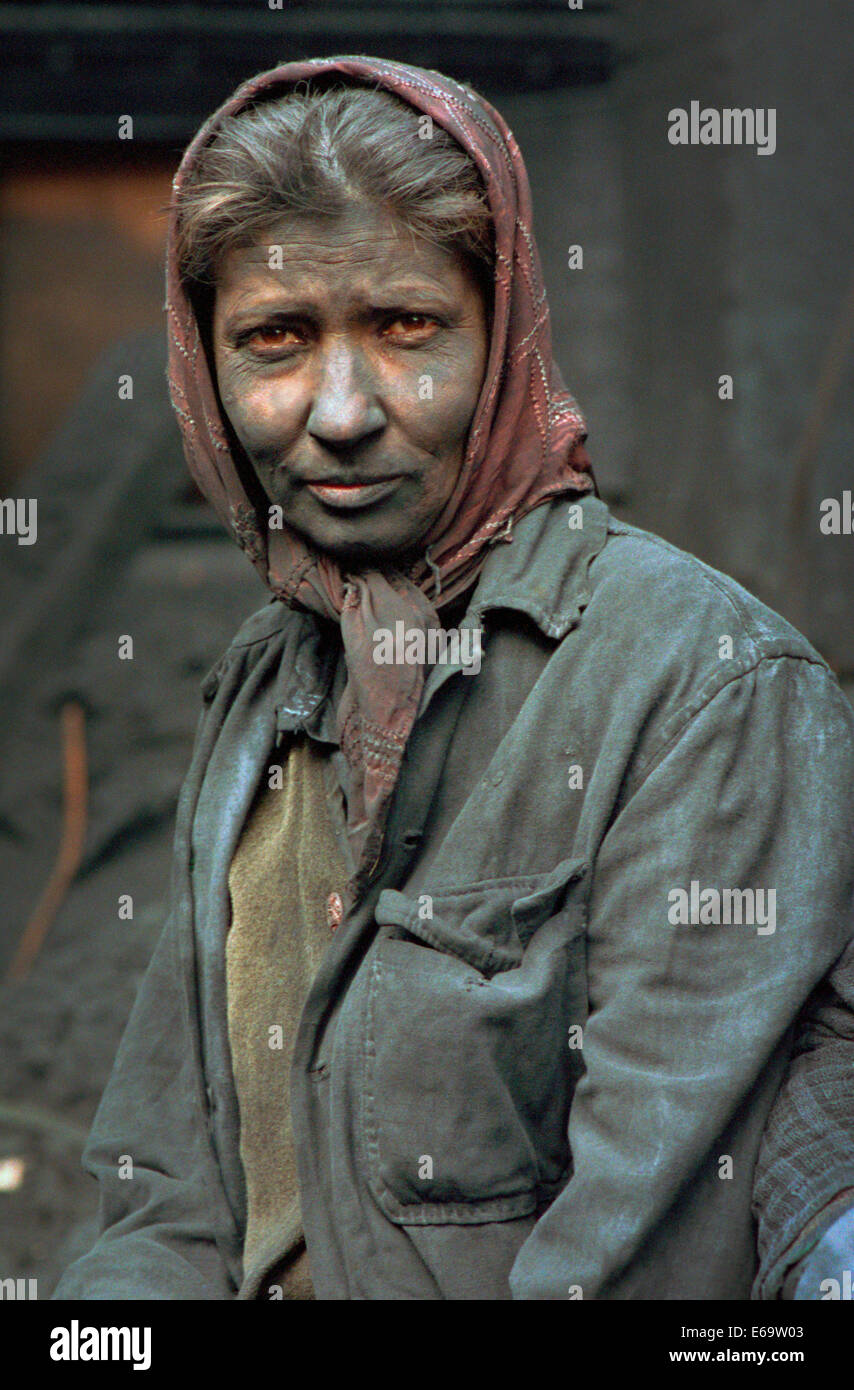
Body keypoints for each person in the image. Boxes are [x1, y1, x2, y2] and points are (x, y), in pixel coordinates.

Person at [54, 55, 854, 1301]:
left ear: (506, 341)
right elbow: (167, 1193)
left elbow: (642, 1248)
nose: (338, 410)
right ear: (203, 369)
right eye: (273, 338)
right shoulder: (262, 688)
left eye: (404, 327)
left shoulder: (700, 683)